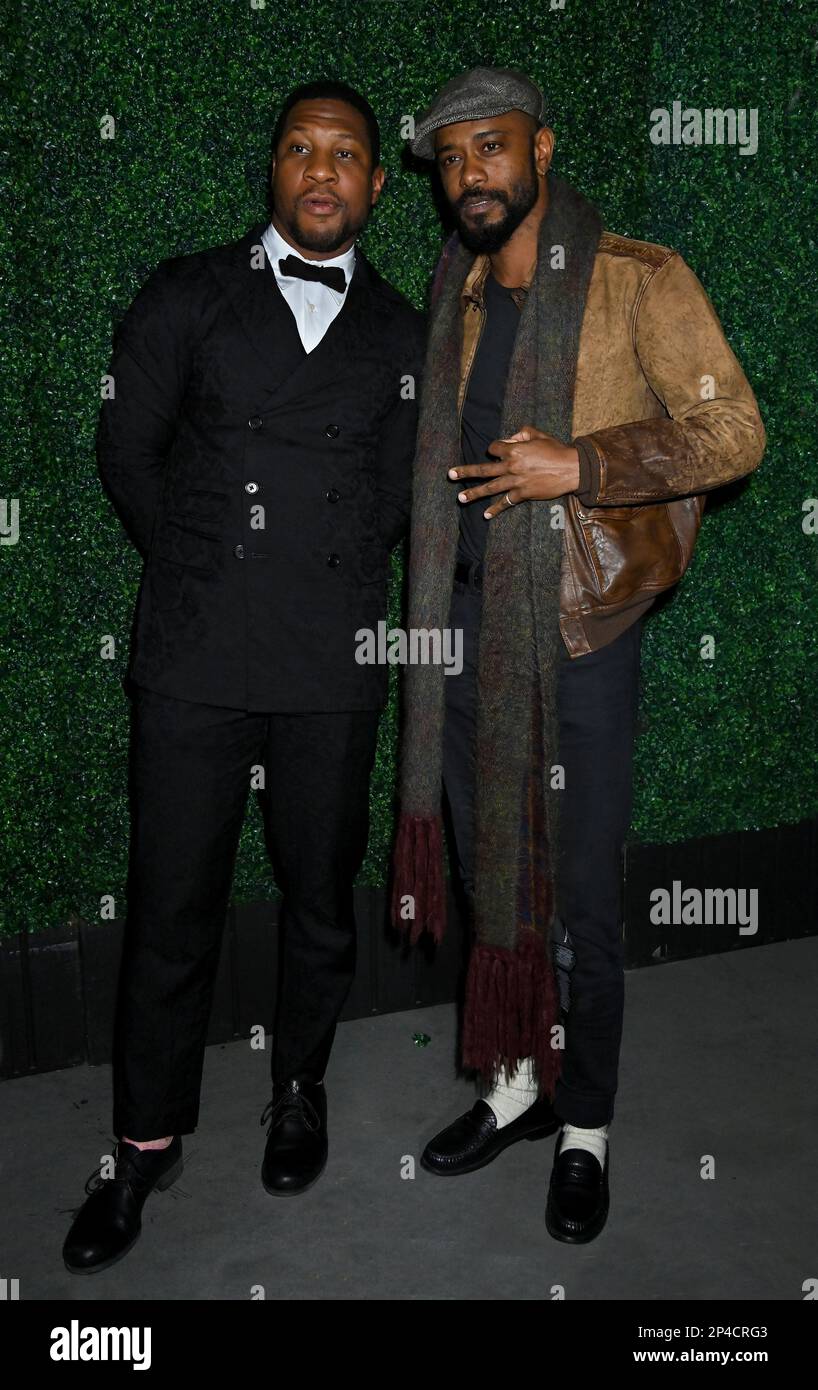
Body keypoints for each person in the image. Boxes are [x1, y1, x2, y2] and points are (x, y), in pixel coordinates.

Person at [391, 66, 765, 1243]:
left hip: (577, 637)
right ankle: (512, 1085)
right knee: (489, 870)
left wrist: (585, 464)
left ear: (541, 150)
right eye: (450, 159)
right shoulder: (448, 290)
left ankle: (585, 1122)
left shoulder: (635, 276)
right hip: (460, 642)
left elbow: (733, 429)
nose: (470, 176)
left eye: (490, 149)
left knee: (582, 901)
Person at [63, 80, 425, 1274]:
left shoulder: (404, 331)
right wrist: (212, 559)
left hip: (331, 660)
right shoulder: (186, 292)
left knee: (320, 898)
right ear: (271, 171)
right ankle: (143, 1144)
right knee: (170, 908)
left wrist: (314, 572)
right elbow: (127, 448)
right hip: (195, 660)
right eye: (298, 150)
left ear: (378, 184)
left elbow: (392, 493)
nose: (321, 173)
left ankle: (299, 1095)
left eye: (346, 157)